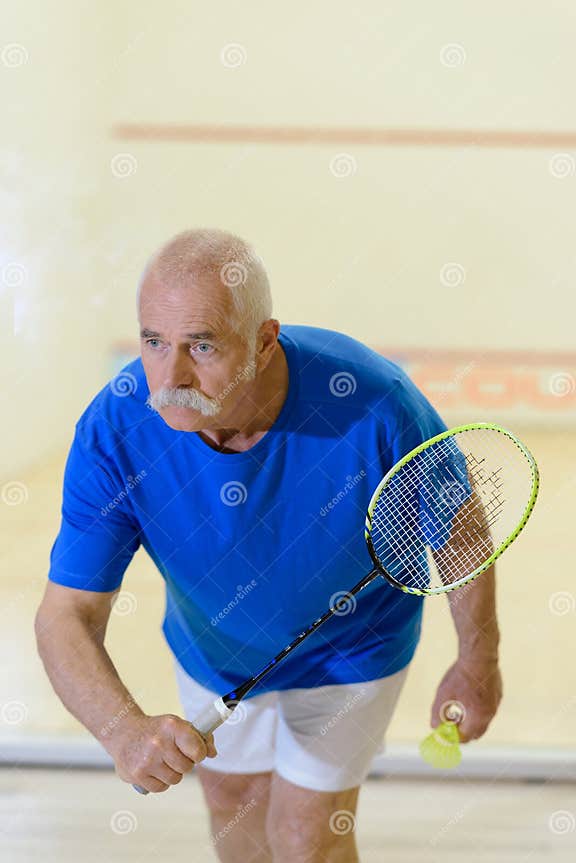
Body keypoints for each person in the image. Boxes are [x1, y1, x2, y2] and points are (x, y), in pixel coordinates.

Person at [35, 228, 502, 863]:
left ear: (262, 340)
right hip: (215, 652)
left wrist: (478, 660)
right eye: (153, 342)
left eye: (201, 346)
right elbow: (67, 613)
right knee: (233, 806)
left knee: (305, 837)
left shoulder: (375, 403)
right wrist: (121, 730)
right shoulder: (117, 428)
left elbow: (459, 531)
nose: (170, 376)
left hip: (352, 650)